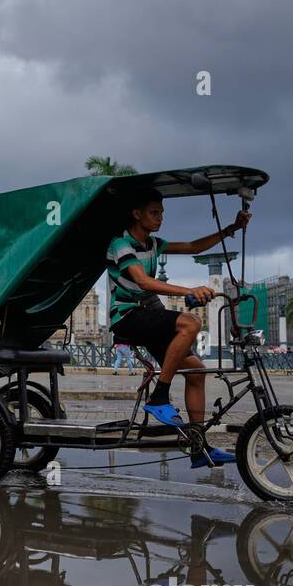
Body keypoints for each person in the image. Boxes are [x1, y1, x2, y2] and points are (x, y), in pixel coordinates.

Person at [105, 187, 250, 468]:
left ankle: (198, 447)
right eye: (154, 213)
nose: (160, 218)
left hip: (147, 316)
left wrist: (232, 228)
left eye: (161, 213)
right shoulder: (120, 245)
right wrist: (188, 290)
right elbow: (144, 282)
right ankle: (160, 396)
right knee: (191, 321)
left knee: (197, 372)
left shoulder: (152, 244)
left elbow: (194, 247)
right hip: (126, 317)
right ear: (136, 214)